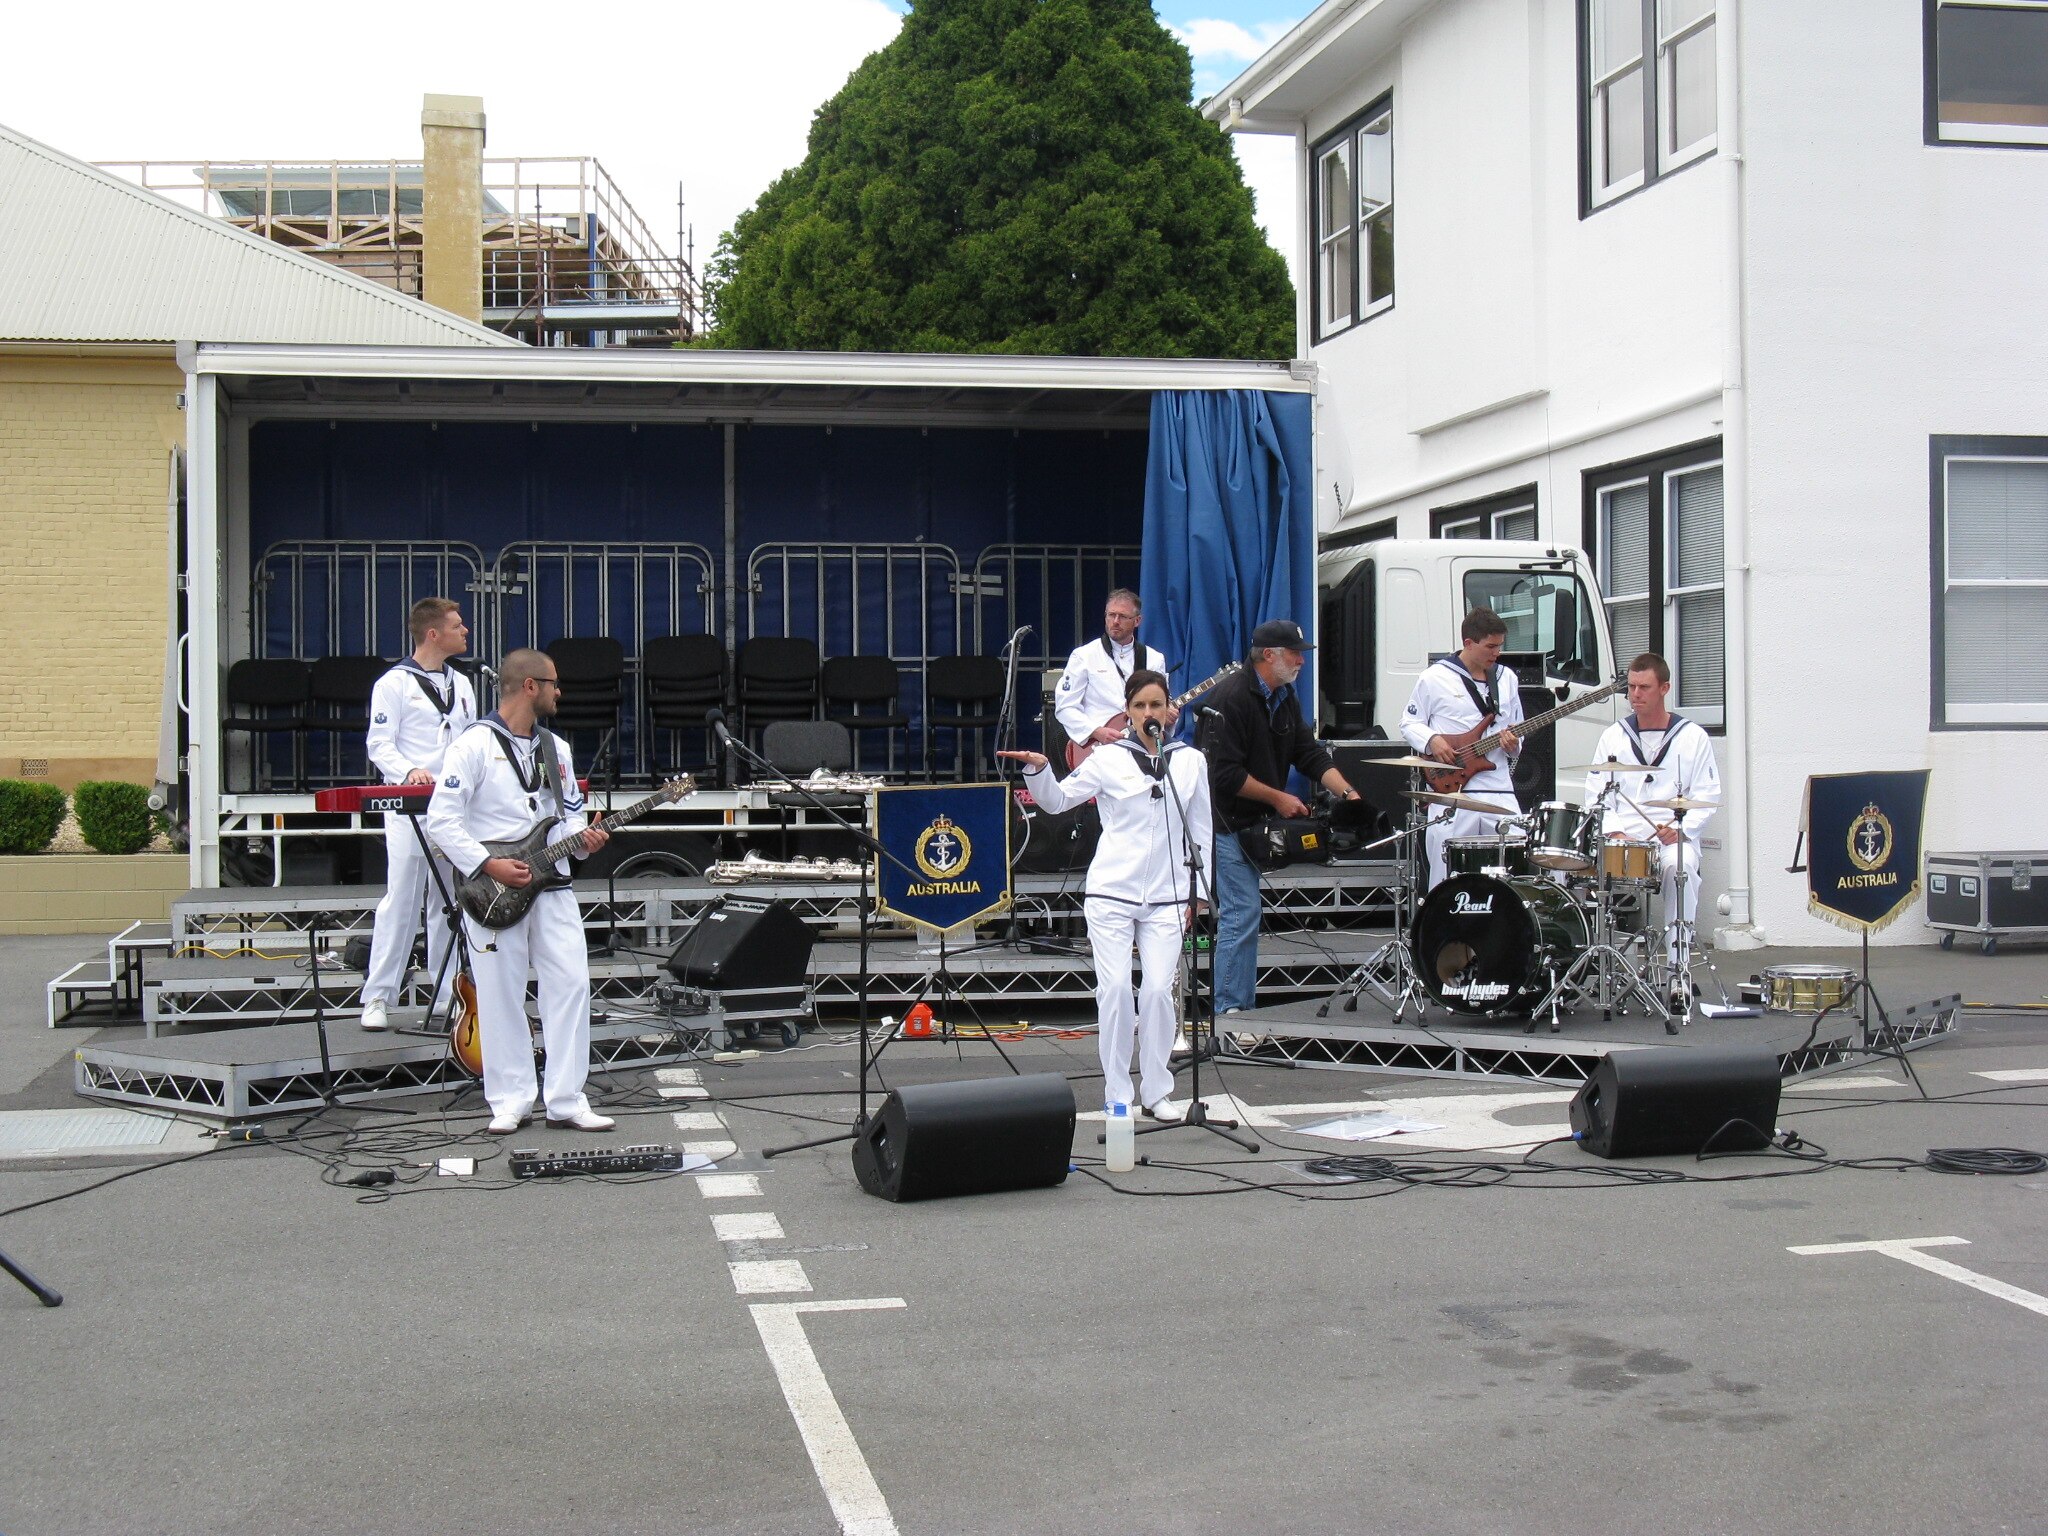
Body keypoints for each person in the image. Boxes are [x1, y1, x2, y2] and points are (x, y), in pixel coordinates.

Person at [1001, 671, 1211, 1120]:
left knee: (1157, 991)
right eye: (1140, 707)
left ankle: (1157, 1091)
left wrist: (1201, 894)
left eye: (1156, 705)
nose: (1148, 714)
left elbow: (1201, 831)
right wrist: (1039, 769)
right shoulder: (1107, 759)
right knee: (1115, 990)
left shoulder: (1190, 761)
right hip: (1112, 891)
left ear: (1169, 708)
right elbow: (1058, 801)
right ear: (1128, 712)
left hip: (1169, 893)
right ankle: (1118, 1091)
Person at [425, 648, 615, 1135]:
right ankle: (510, 1098)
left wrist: (585, 842)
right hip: (492, 889)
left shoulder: (558, 749)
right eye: (553, 682)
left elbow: (570, 815)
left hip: (552, 885)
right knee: (499, 991)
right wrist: (488, 863)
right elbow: (441, 820)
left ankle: (567, 1098)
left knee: (571, 984)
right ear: (529, 686)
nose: (559, 691)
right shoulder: (472, 745)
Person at [1198, 620, 1362, 1018]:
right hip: (1225, 822)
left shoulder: (1284, 696)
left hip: (1253, 824)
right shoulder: (1230, 698)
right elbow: (1223, 775)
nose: (1301, 660)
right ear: (1268, 655)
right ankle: (1231, 1013)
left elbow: (1309, 753)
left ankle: (1238, 1009)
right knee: (1241, 912)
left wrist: (1349, 794)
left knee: (1244, 912)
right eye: (1294, 653)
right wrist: (1280, 798)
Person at [360, 598, 478, 1031]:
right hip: (411, 804)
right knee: (403, 901)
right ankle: (377, 997)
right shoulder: (393, 683)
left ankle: (449, 994)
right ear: (433, 634)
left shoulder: (462, 684)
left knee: (448, 900)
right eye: (457, 625)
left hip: (451, 805)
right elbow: (379, 743)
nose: (465, 631)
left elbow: (467, 741)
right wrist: (407, 770)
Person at [1585, 653, 1720, 990]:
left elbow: (1707, 794)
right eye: (1631, 687)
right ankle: (1600, 968)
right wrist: (1612, 829)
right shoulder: (1613, 736)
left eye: (1643, 687)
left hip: (1672, 835)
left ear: (1664, 688)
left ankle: (1678, 971)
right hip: (1624, 836)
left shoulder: (1692, 737)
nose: (1635, 694)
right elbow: (1596, 793)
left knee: (1681, 869)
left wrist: (1682, 829)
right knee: (1576, 869)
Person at [1402, 607, 1525, 889]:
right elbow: (1409, 722)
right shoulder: (1434, 677)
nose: (1496, 653)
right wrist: (1432, 740)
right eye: (1490, 646)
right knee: (1445, 872)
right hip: (1453, 790)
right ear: (1468, 643)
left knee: (1516, 858)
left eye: (1500, 646)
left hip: (1498, 789)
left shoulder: (1507, 678)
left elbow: (1518, 726)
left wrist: (1513, 744)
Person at [1053, 588, 1168, 761]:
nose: (1115, 621)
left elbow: (1162, 705)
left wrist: (1169, 713)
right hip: (1097, 749)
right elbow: (1065, 706)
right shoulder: (1083, 655)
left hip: (1142, 749)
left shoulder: (1154, 658)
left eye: (1122, 616)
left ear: (1137, 621)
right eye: (1111, 615)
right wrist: (1095, 731)